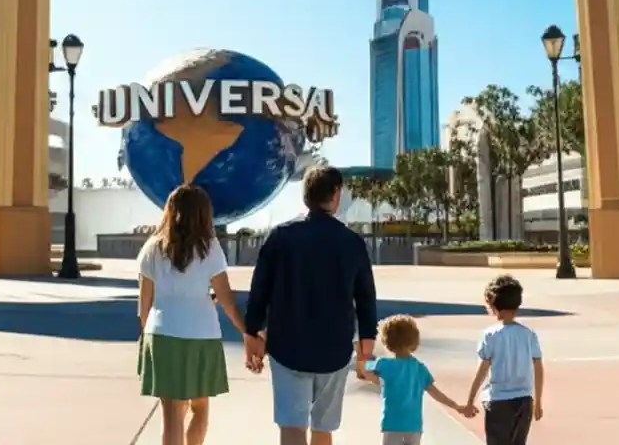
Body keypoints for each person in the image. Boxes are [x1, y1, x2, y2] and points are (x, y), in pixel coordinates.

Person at [244, 165, 377, 445]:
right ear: (336, 193)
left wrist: (252, 332)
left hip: (287, 345)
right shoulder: (352, 243)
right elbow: (365, 294)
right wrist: (367, 337)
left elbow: (259, 290)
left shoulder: (280, 237)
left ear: (305, 196)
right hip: (335, 348)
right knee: (323, 427)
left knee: (292, 426)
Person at [137, 185, 247, 445]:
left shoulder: (152, 248)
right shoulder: (210, 248)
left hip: (163, 334)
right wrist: (247, 332)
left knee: (172, 415)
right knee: (200, 407)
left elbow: (145, 304)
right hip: (202, 335)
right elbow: (227, 299)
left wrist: (144, 334)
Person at [356, 314, 476, 444]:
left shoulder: (383, 364)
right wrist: (456, 406)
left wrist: (362, 355)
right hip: (414, 426)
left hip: (392, 424)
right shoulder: (420, 369)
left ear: (387, 341)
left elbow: (364, 370)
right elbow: (435, 392)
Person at [463, 275, 544, 445]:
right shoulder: (529, 334)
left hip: (498, 400)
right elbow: (538, 367)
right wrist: (538, 401)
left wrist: (470, 401)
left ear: (493, 305)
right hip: (524, 400)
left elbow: (482, 369)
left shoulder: (490, 335)